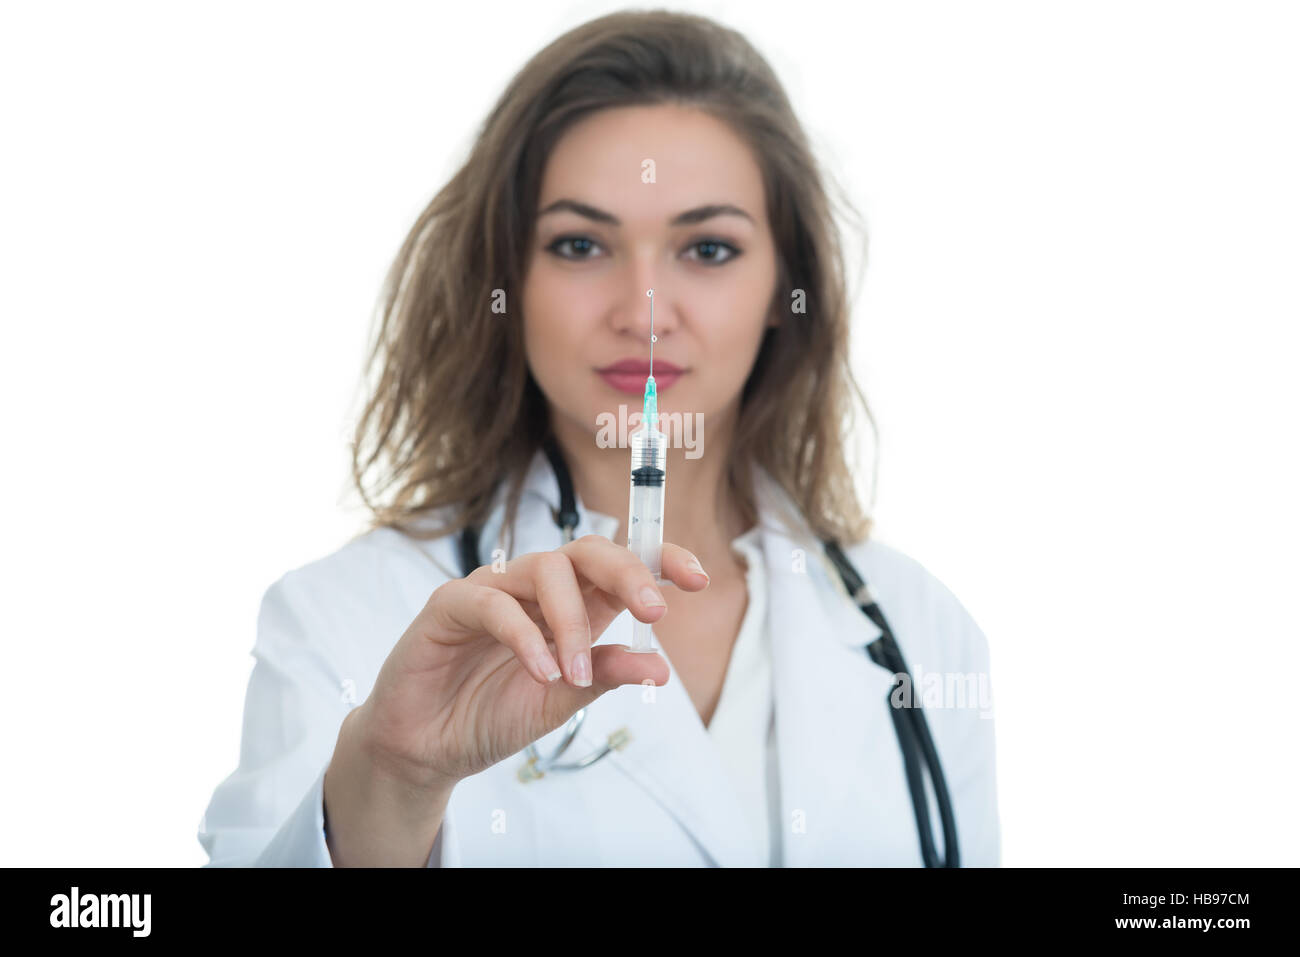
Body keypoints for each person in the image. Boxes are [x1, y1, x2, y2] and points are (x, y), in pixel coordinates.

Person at [199, 9, 1000, 867]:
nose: (642, 310)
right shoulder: (342, 620)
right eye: (581, 244)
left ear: (785, 287)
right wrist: (393, 778)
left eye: (709, 248)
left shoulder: (919, 630)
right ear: (506, 274)